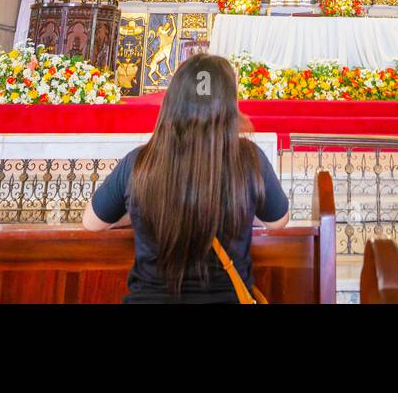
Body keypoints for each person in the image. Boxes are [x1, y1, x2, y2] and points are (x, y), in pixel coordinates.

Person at [83, 54, 290, 303]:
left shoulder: (140, 161)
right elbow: (278, 221)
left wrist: (141, 210)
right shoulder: (248, 158)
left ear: (173, 102)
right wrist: (238, 207)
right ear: (229, 104)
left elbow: (92, 222)